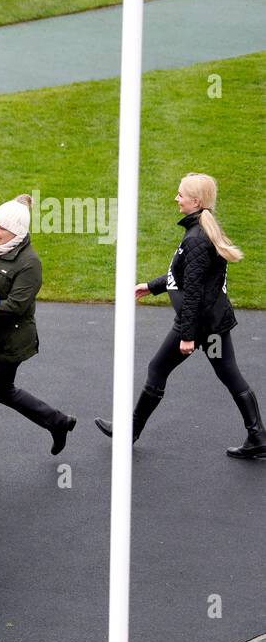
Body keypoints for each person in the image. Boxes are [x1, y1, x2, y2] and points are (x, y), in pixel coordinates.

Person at [96, 173, 264, 459]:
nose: (176, 199)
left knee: (158, 368)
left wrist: (187, 336)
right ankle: (258, 435)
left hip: (198, 322)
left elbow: (194, 290)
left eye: (180, 195)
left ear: (195, 201)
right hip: (213, 321)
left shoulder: (197, 238)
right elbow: (184, 276)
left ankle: (129, 433)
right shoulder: (201, 230)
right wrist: (152, 286)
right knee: (228, 373)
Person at [0, 195, 76, 479]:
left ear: (19, 231)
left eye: (2, 226)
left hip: (10, 341)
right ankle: (58, 421)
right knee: (3, 391)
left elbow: (15, 306)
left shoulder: (29, 263)